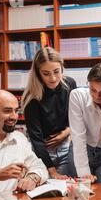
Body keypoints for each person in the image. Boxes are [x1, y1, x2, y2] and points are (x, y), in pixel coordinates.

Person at [22, 47, 77, 180]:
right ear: (38, 73)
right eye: (46, 73)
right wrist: (52, 171)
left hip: (66, 146)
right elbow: (36, 140)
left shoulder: (70, 84)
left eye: (56, 72)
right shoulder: (32, 98)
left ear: (62, 68)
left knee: (69, 189)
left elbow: (77, 118)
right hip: (43, 152)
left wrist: (66, 132)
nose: (52, 78)